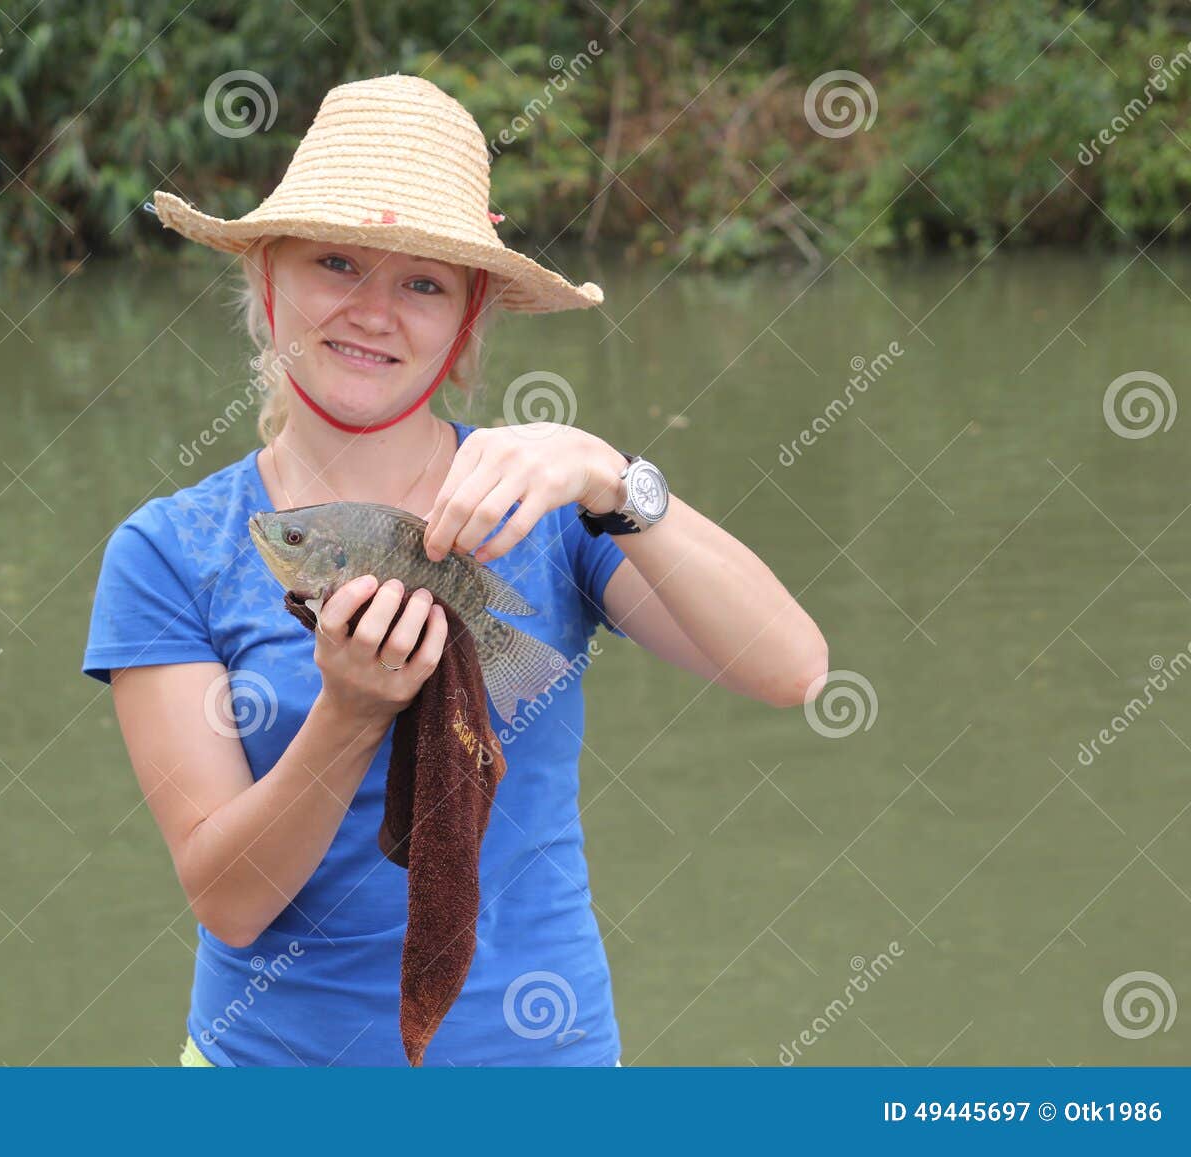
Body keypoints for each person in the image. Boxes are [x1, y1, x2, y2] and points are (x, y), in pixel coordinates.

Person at [82, 73, 828, 1066]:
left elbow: (791, 670)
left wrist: (610, 475)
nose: (373, 311)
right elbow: (229, 899)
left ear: (468, 318)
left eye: (423, 283)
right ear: (266, 282)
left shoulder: (553, 501)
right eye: (336, 262)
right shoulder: (168, 550)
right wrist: (349, 713)